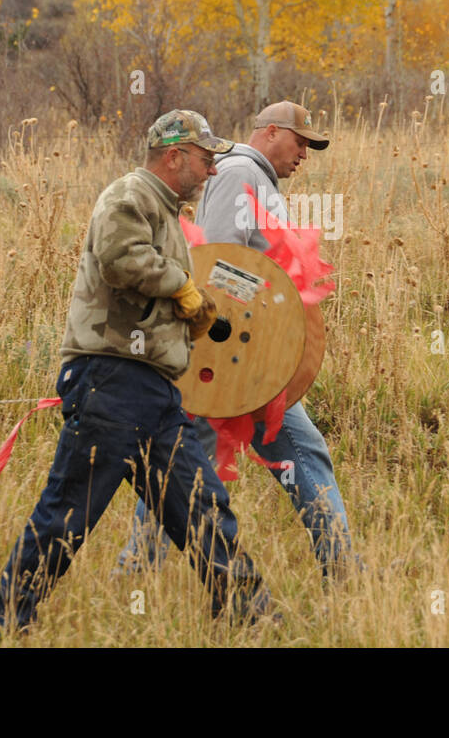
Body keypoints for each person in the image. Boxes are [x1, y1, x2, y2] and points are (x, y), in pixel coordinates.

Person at [0, 110, 273, 634]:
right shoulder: (130, 196)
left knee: (201, 504)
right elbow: (121, 258)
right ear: (175, 156)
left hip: (154, 391)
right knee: (67, 515)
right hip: (111, 383)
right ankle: (7, 626)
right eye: (206, 159)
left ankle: (250, 614)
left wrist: (189, 324)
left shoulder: (164, 210)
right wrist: (184, 288)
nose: (212, 171)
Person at [117, 101, 358, 580]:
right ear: (271, 132)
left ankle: (135, 570)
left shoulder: (254, 178)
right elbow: (222, 265)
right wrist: (261, 325)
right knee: (297, 450)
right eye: (301, 141)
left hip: (245, 350)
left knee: (184, 458)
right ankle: (344, 569)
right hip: (241, 355)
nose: (305, 154)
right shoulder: (240, 172)